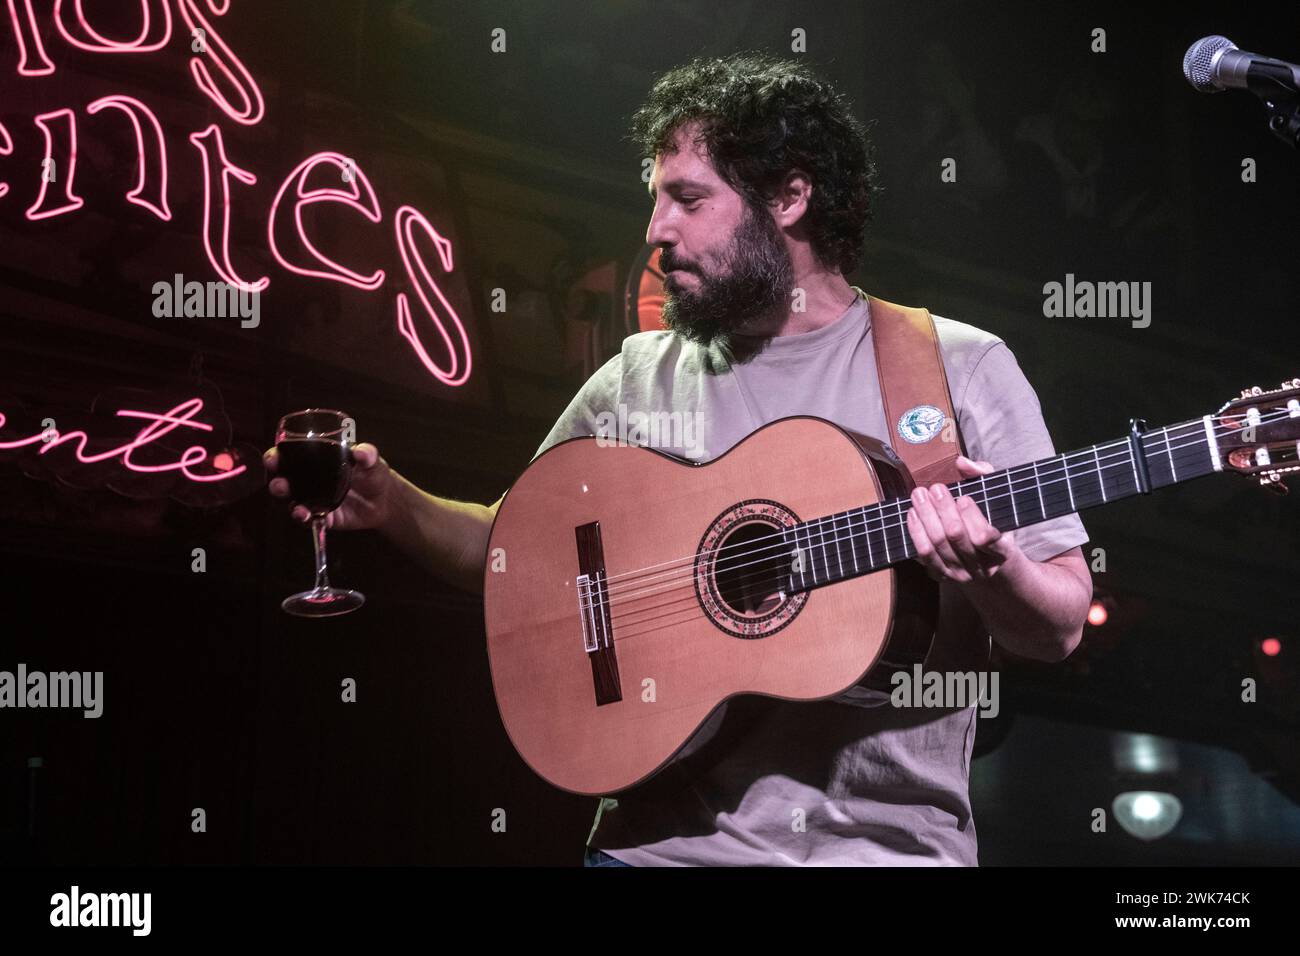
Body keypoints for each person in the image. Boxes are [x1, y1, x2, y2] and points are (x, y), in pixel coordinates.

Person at [265, 52, 1092, 866]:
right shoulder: (638, 378)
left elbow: (1056, 624)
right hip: (655, 853)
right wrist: (393, 505)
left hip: (885, 854)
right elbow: (519, 553)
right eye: (656, 200)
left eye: (687, 199)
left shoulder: (955, 367)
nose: (656, 231)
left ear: (791, 196)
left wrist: (993, 571)